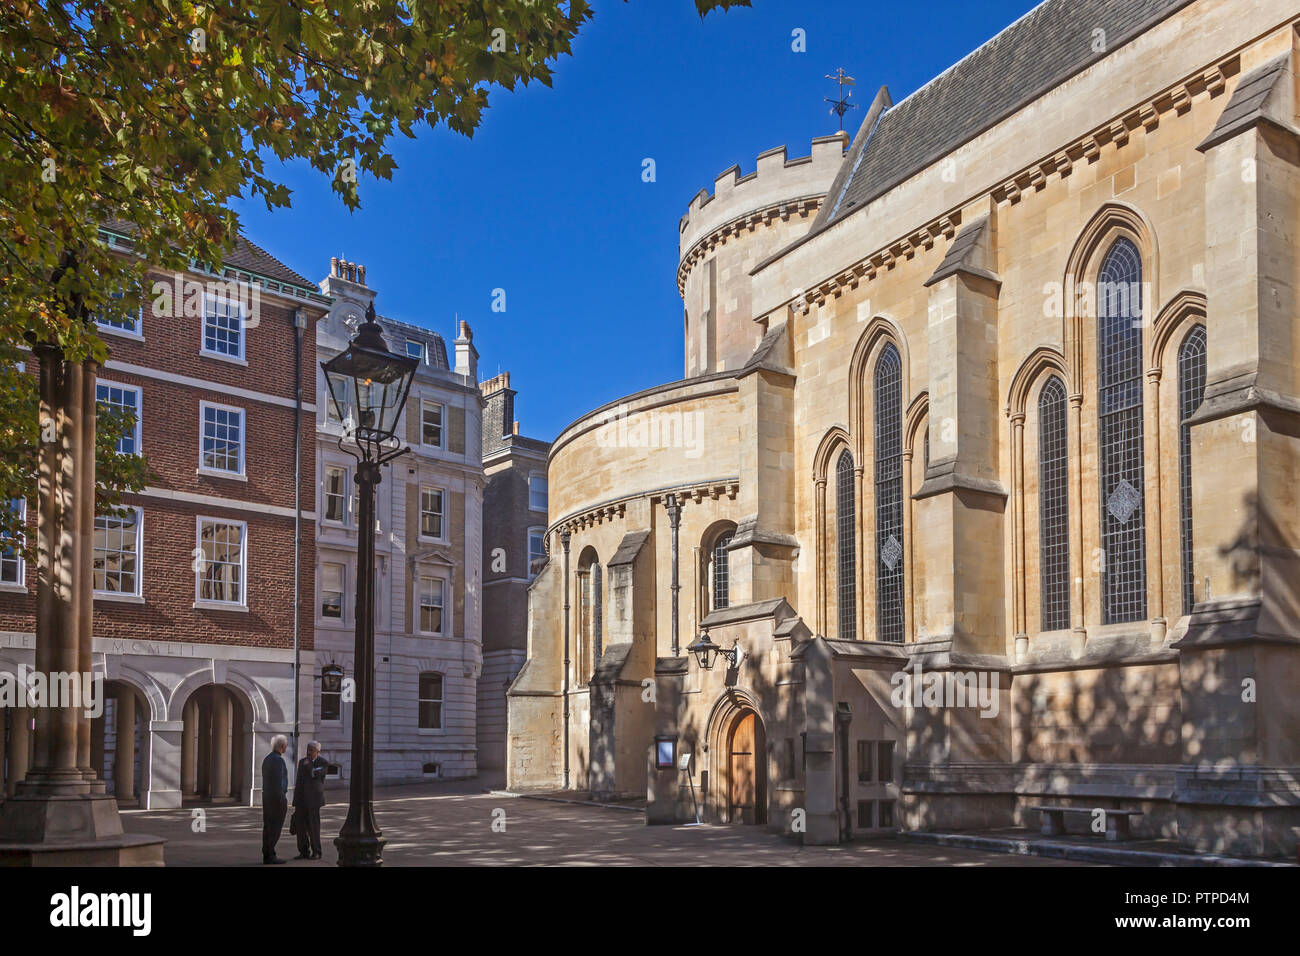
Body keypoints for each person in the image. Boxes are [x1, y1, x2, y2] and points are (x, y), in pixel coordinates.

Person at [291, 740, 329, 860]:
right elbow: (299, 781)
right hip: (301, 800)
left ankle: (316, 852)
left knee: (313, 827)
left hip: (313, 801)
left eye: (311, 750)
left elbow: (315, 774)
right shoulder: (302, 762)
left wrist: (309, 766)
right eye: (308, 749)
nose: (308, 752)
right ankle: (303, 851)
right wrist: (295, 800)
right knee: (301, 828)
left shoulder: (323, 762)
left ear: (318, 751)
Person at [261, 734, 289, 864]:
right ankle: (270, 854)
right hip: (276, 798)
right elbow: (278, 781)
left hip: (267, 797)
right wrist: (282, 798)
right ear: (282, 746)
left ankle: (268, 853)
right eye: (286, 745)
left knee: (268, 827)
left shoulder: (267, 759)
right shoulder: (278, 760)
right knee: (275, 827)